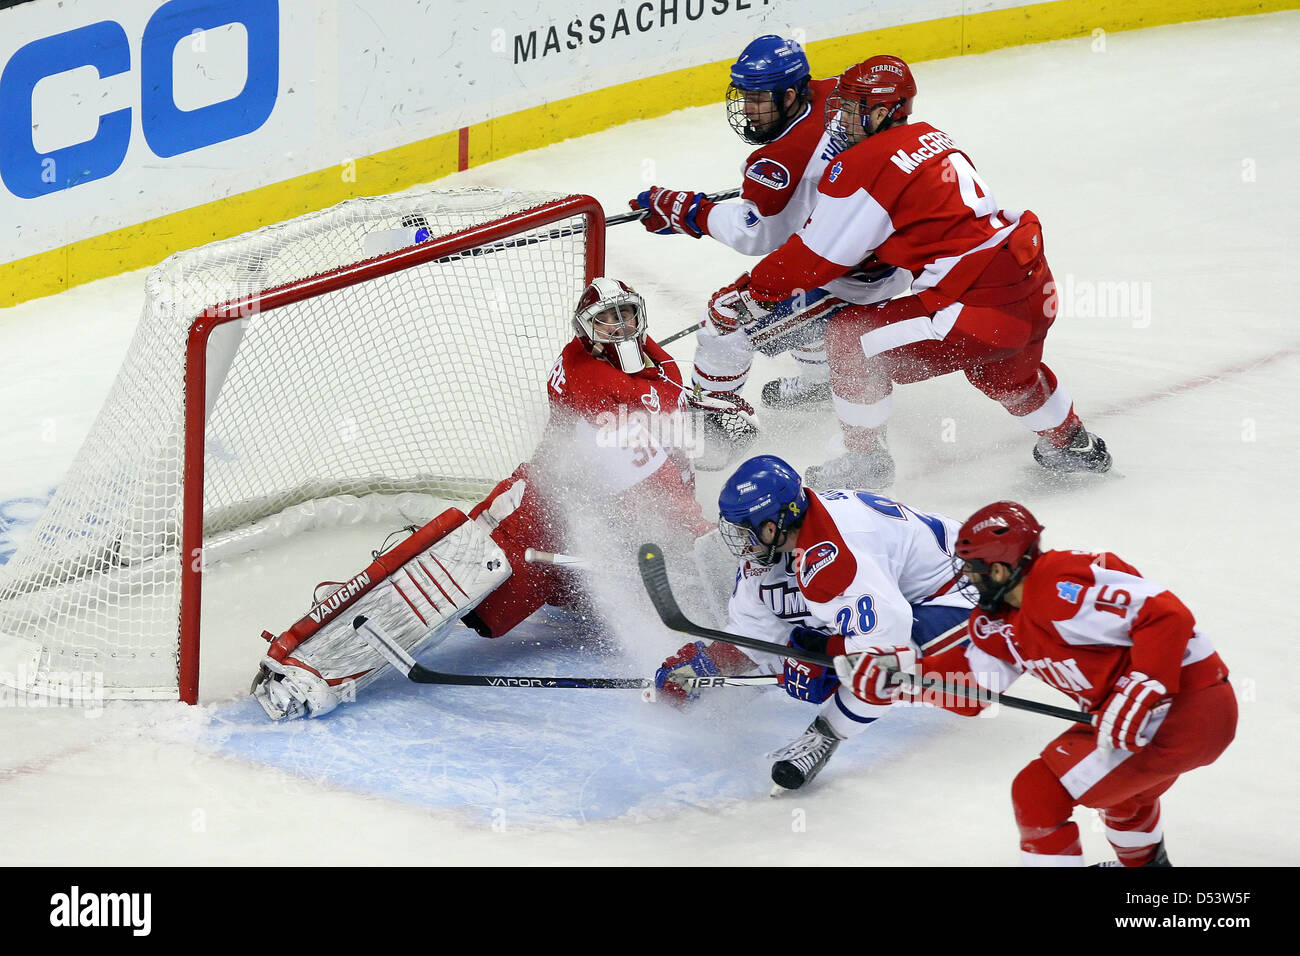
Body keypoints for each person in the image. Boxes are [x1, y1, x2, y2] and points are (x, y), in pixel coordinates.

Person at [251, 278, 744, 719]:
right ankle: (311, 659)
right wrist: (706, 532)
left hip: (602, 537)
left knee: (671, 585)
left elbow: (662, 428)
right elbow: (649, 478)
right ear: (586, 330)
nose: (620, 327)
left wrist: (703, 418)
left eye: (627, 315)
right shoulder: (592, 385)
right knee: (460, 593)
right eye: (606, 319)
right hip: (537, 520)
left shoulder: (651, 365)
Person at [724, 54, 1111, 489]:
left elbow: (813, 259)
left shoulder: (865, 164)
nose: (840, 120)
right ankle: (1072, 442)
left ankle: (864, 460)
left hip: (975, 305)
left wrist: (752, 289)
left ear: (881, 113)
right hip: (1030, 290)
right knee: (1004, 371)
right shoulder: (932, 137)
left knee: (850, 339)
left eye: (850, 109)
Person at [838, 501, 1236, 866]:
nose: (968, 578)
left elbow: (1165, 615)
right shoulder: (1000, 620)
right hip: (1147, 720)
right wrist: (901, 677)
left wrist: (1144, 684)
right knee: (1123, 796)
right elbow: (974, 690)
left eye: (973, 568)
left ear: (998, 570)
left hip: (1186, 708)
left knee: (1038, 793)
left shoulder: (1061, 585)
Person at [627, 37, 910, 439]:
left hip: (859, 274)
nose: (747, 108)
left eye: (758, 99)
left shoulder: (781, 160)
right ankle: (819, 384)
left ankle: (713, 425)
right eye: (744, 96)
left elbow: (755, 233)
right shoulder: (838, 93)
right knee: (791, 289)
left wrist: (689, 212)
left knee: (728, 317)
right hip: (887, 244)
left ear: (790, 95)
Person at [654, 455, 972, 792]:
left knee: (886, 665)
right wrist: (708, 664)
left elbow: (888, 643)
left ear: (771, 526)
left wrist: (824, 658)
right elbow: (755, 633)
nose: (740, 541)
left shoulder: (835, 557)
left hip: (965, 590)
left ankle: (825, 735)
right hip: (896, 597)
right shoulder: (780, 547)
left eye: (744, 530)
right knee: (806, 644)